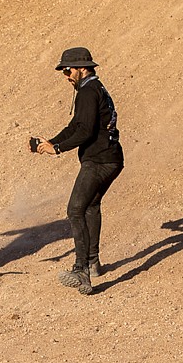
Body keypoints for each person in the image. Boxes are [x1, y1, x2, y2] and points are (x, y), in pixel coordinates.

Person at [30, 48, 124, 295]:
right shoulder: (92, 89)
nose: (65, 75)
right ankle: (93, 263)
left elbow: (85, 133)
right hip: (110, 158)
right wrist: (48, 143)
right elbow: (76, 126)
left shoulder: (87, 93)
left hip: (99, 161)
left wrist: (58, 149)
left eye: (68, 70)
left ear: (82, 68)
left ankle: (81, 270)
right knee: (90, 206)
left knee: (75, 210)